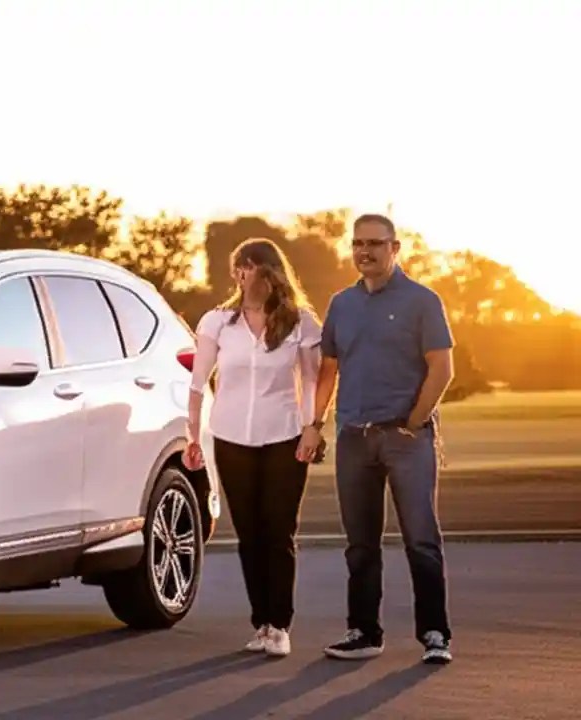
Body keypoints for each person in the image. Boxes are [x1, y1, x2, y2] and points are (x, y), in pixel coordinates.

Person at [298, 213, 456, 665]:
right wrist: (314, 423)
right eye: (358, 244)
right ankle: (364, 633)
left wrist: (414, 422)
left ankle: (434, 634)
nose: (364, 252)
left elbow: (442, 368)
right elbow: (328, 370)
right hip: (354, 439)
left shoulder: (422, 301)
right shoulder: (342, 304)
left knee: (420, 538)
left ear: (395, 248)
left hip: (407, 439)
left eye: (374, 243)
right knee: (360, 544)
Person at [184, 238, 323, 658]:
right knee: (248, 534)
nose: (242, 275)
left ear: (271, 272)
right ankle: (260, 622)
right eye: (238, 267)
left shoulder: (300, 323)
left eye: (250, 266)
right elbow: (198, 382)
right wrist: (193, 437)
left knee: (278, 531)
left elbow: (311, 382)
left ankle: (280, 625)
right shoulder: (218, 322)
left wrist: (312, 429)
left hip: (284, 436)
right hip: (231, 438)